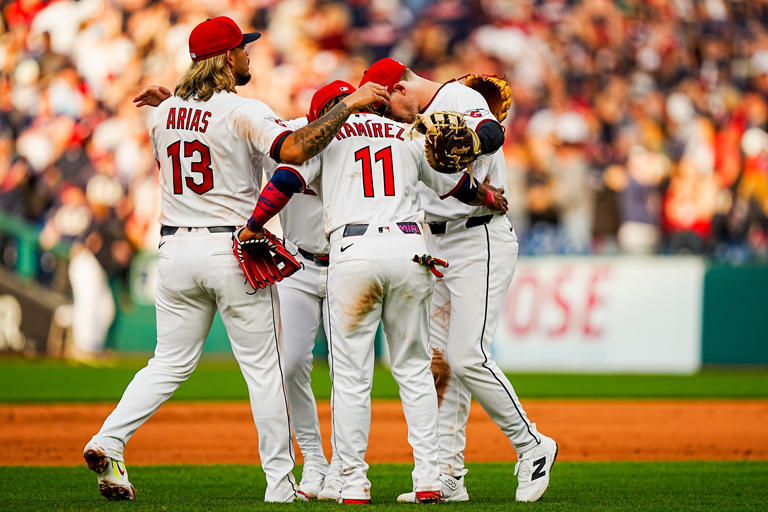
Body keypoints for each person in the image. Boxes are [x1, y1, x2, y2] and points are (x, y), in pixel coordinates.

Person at [82, 16, 387, 503]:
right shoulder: (242, 110)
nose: (248, 55)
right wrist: (349, 103)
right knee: (264, 371)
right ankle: (280, 485)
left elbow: (193, 130)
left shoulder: (161, 115)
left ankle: (110, 438)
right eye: (242, 49)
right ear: (226, 59)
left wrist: (171, 106)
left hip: (174, 249)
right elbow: (292, 147)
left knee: (168, 362)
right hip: (229, 246)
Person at [241, 80, 508, 503]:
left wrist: (254, 224)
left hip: (354, 252)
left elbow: (286, 179)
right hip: (409, 250)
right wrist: (487, 195)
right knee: (415, 370)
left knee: (351, 377)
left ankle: (352, 482)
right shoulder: (407, 133)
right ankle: (429, 480)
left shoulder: (328, 137)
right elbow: (454, 184)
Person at [359, 58, 558, 503]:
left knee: (468, 356)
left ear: (399, 89)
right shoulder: (410, 124)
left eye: (387, 106)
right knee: (441, 363)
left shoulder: (457, 97)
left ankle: (532, 446)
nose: (388, 117)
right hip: (436, 242)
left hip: (478, 238)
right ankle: (449, 474)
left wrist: (467, 138)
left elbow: (493, 134)